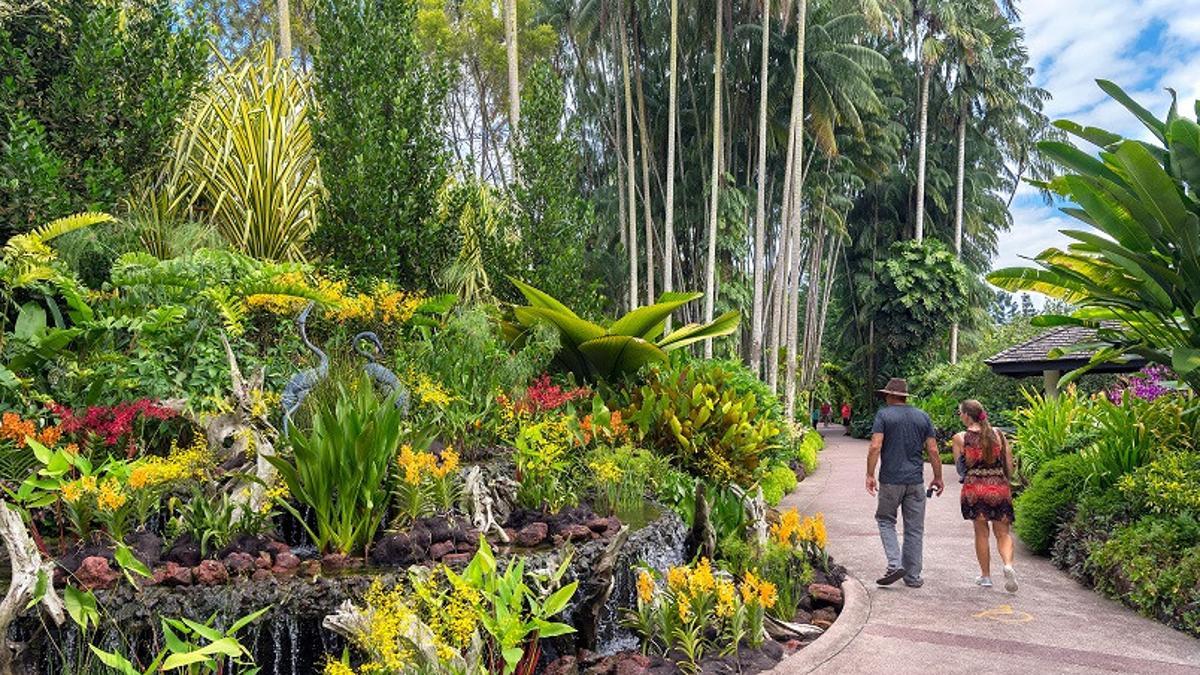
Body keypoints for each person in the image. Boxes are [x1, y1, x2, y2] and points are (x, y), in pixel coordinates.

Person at [866, 378, 943, 588]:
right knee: (914, 529)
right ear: (905, 396)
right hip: (916, 481)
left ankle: (894, 564)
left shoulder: (884, 415)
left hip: (891, 480)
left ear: (891, 396)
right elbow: (933, 450)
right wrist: (938, 477)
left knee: (885, 520)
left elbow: (875, 446)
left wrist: (870, 474)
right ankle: (912, 576)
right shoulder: (922, 417)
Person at [953, 399, 1018, 593]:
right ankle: (1007, 565)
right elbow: (1009, 465)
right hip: (999, 486)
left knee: (981, 533)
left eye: (960, 413)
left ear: (966, 415)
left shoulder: (960, 438)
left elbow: (960, 469)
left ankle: (986, 576)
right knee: (1003, 533)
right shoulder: (998, 434)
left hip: (975, 488)